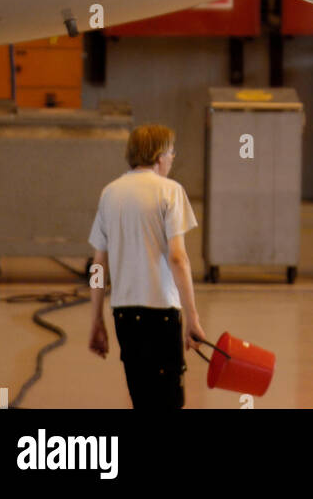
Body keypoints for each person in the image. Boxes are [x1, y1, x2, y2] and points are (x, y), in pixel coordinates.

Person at [87, 123, 205, 409]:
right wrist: (192, 317)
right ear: (158, 156)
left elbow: (98, 266)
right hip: (161, 312)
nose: (173, 158)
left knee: (142, 399)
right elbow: (178, 257)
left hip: (124, 315)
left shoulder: (110, 193)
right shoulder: (170, 192)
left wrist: (96, 320)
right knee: (168, 401)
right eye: (171, 152)